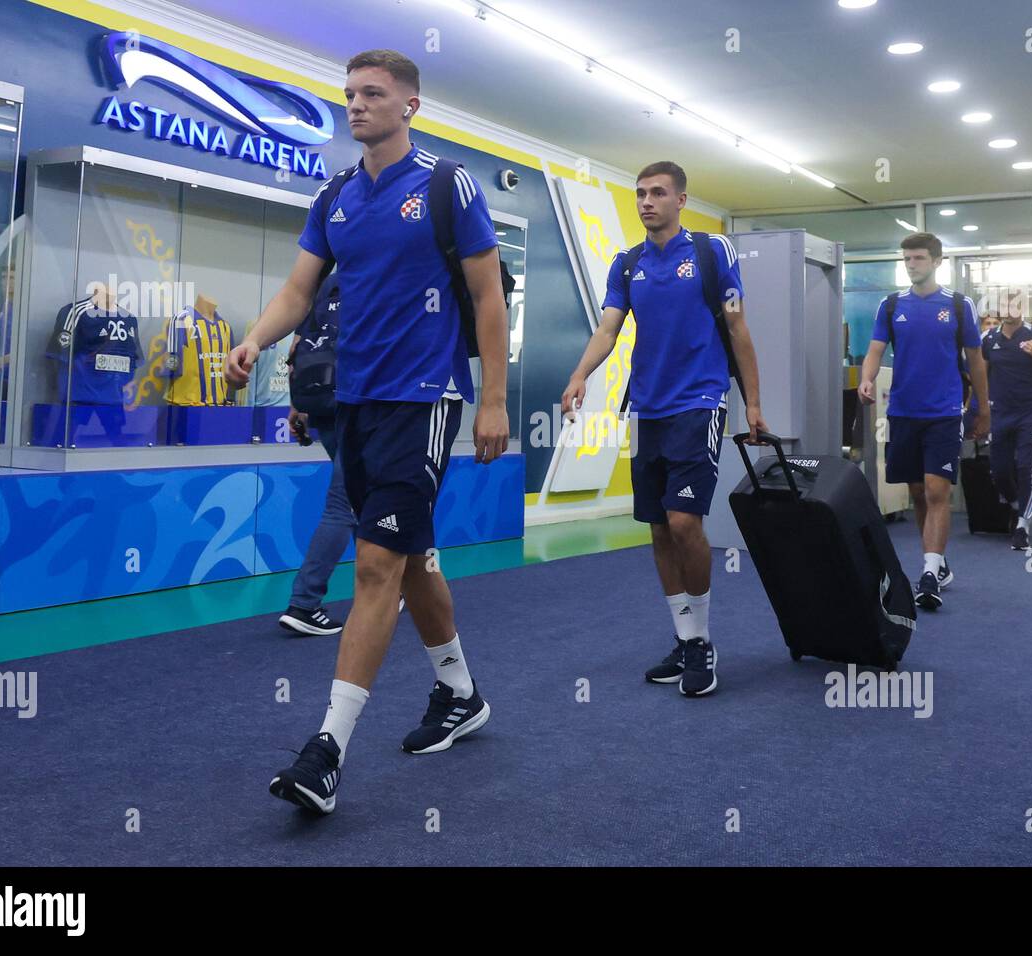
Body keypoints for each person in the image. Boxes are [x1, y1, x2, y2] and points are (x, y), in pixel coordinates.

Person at [225, 49, 510, 815]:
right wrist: (256, 341)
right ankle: (460, 693)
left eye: (372, 93)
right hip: (353, 402)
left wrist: (493, 399)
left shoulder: (447, 185)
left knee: (378, 561)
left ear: (409, 105)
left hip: (423, 398)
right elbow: (300, 290)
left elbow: (488, 296)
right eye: (349, 93)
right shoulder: (336, 195)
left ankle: (327, 750)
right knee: (410, 558)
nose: (355, 104)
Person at [561, 160, 766, 697]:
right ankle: (685, 637)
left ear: (681, 200)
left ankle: (702, 643)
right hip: (646, 408)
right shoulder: (627, 264)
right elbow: (608, 329)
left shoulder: (712, 251)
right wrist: (580, 375)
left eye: (657, 193)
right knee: (657, 527)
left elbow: (737, 326)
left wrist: (754, 402)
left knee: (683, 522)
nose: (647, 202)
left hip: (700, 401)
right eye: (640, 194)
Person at [858, 232, 988, 610]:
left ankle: (929, 574)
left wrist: (984, 407)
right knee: (917, 492)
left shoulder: (959, 305)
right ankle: (938, 561)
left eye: (918, 258)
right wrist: (867, 378)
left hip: (944, 413)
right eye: (907, 259)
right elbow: (875, 350)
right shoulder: (891, 305)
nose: (911, 265)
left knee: (935, 491)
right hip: (903, 411)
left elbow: (976, 360)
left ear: (936, 261)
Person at [276, 274, 357, 637]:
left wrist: (297, 405)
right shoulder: (376, 275)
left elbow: (298, 347)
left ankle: (388, 583)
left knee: (361, 499)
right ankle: (304, 602)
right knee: (344, 505)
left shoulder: (329, 285)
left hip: (320, 402)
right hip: (356, 402)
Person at [980, 308, 1032, 550]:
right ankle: (1017, 505)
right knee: (999, 470)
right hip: (1000, 411)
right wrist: (979, 409)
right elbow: (979, 374)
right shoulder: (988, 338)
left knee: (1027, 467)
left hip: (1031, 412)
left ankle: (1022, 526)